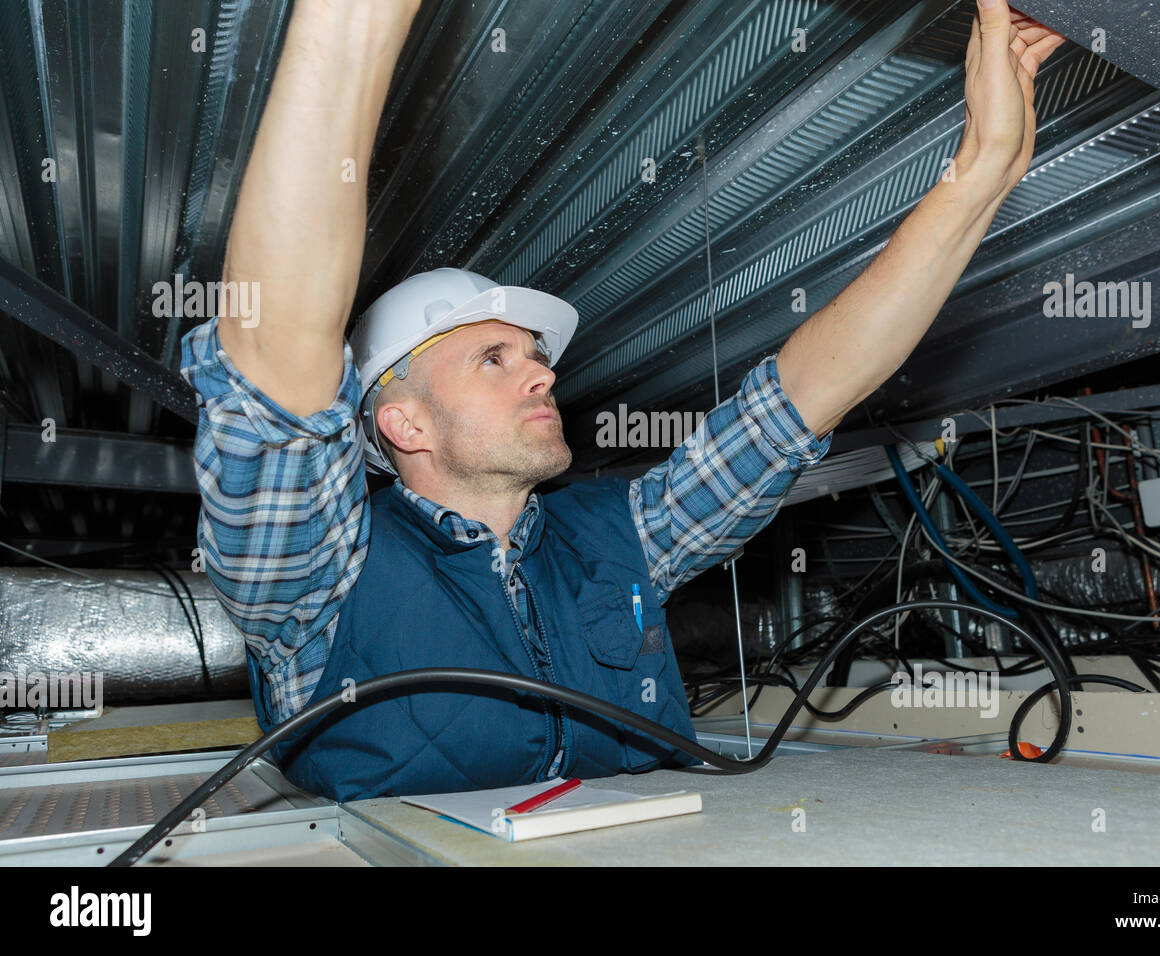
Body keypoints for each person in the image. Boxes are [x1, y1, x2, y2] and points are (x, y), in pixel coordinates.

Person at [180, 0, 1064, 801]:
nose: (542, 373)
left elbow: (803, 399)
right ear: (401, 422)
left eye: (535, 355)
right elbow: (276, 379)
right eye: (494, 358)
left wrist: (981, 171)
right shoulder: (315, 585)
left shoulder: (621, 534)